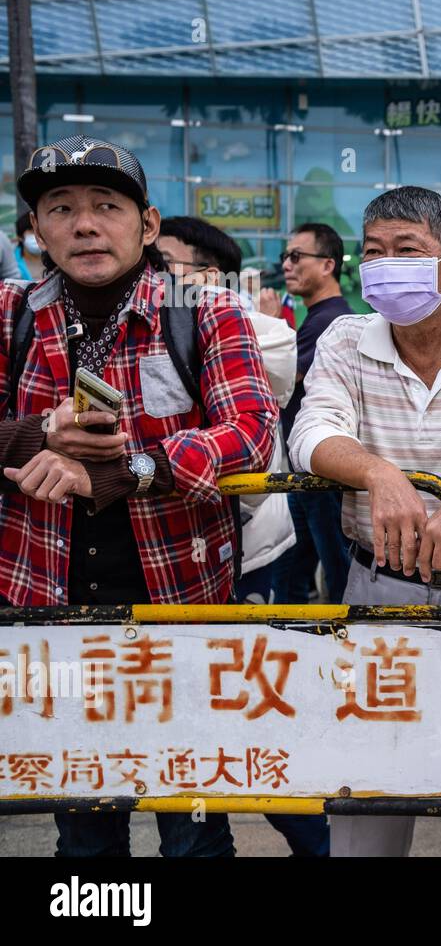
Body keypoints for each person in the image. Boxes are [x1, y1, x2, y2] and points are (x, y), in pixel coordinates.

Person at [1, 135, 277, 855]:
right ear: (36, 231)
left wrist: (134, 469)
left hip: (181, 612)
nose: (84, 224)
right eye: (59, 209)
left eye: (105, 206)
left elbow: (251, 433)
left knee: (193, 826)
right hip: (53, 616)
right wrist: (37, 436)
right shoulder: (11, 315)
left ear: (147, 224)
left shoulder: (206, 310)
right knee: (84, 830)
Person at [287, 185, 441, 857]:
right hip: (380, 589)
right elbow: (310, 432)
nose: (386, 264)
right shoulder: (345, 338)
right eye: (374, 252)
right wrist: (379, 473)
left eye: (408, 250)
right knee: (369, 796)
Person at [155, 215, 330, 858]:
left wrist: (208, 302)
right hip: (161, 558)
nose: (149, 274)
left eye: (163, 262)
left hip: (249, 558)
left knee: (251, 720)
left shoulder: (259, 328)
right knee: (178, 724)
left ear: (205, 273)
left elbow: (267, 376)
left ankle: (317, 843)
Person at [269, 223, 352, 605]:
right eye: (285, 256)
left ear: (328, 265)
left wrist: (269, 325)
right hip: (306, 469)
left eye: (297, 256)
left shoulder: (331, 321)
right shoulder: (317, 317)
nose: (288, 264)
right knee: (295, 572)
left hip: (323, 470)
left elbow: (277, 378)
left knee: (339, 575)